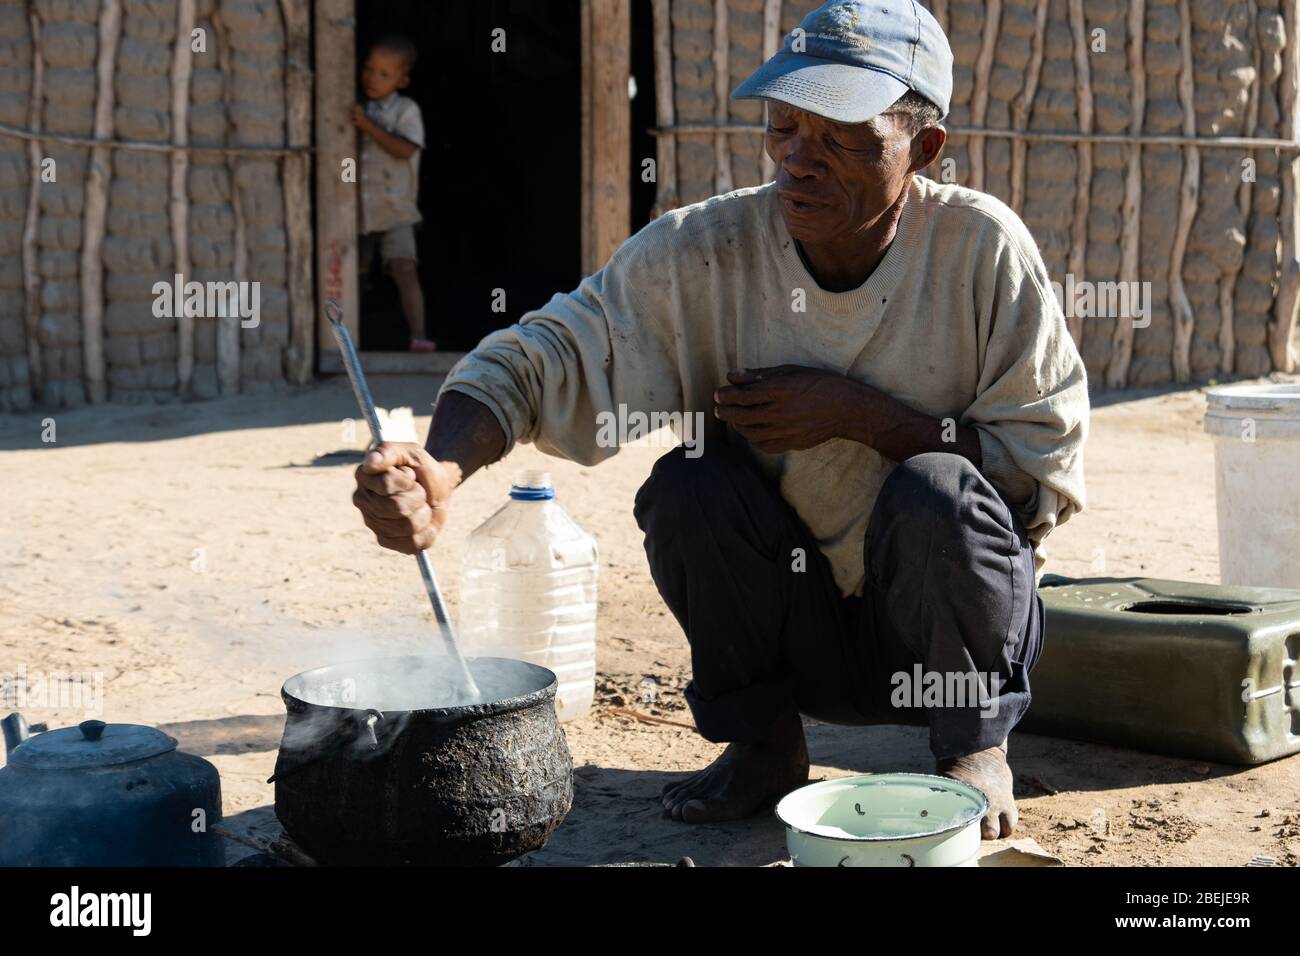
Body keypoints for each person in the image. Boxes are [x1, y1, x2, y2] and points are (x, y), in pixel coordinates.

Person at [350, 0, 1089, 839]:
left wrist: (860, 417)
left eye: (841, 136)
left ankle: (970, 752)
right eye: (783, 128)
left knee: (942, 490)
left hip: (933, 644)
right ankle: (765, 745)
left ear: (922, 148)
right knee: (688, 486)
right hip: (796, 640)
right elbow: (541, 356)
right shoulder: (707, 250)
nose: (799, 163)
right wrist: (440, 467)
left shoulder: (979, 251)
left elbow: (1037, 475)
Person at [352, 35, 435, 352]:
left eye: (384, 74)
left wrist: (368, 126)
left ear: (403, 80)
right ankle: (347, 340)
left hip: (396, 210)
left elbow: (403, 149)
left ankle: (419, 336)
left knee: (404, 268)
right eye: (370, 69)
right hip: (360, 211)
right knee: (353, 275)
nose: (373, 78)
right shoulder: (357, 105)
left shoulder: (406, 110)